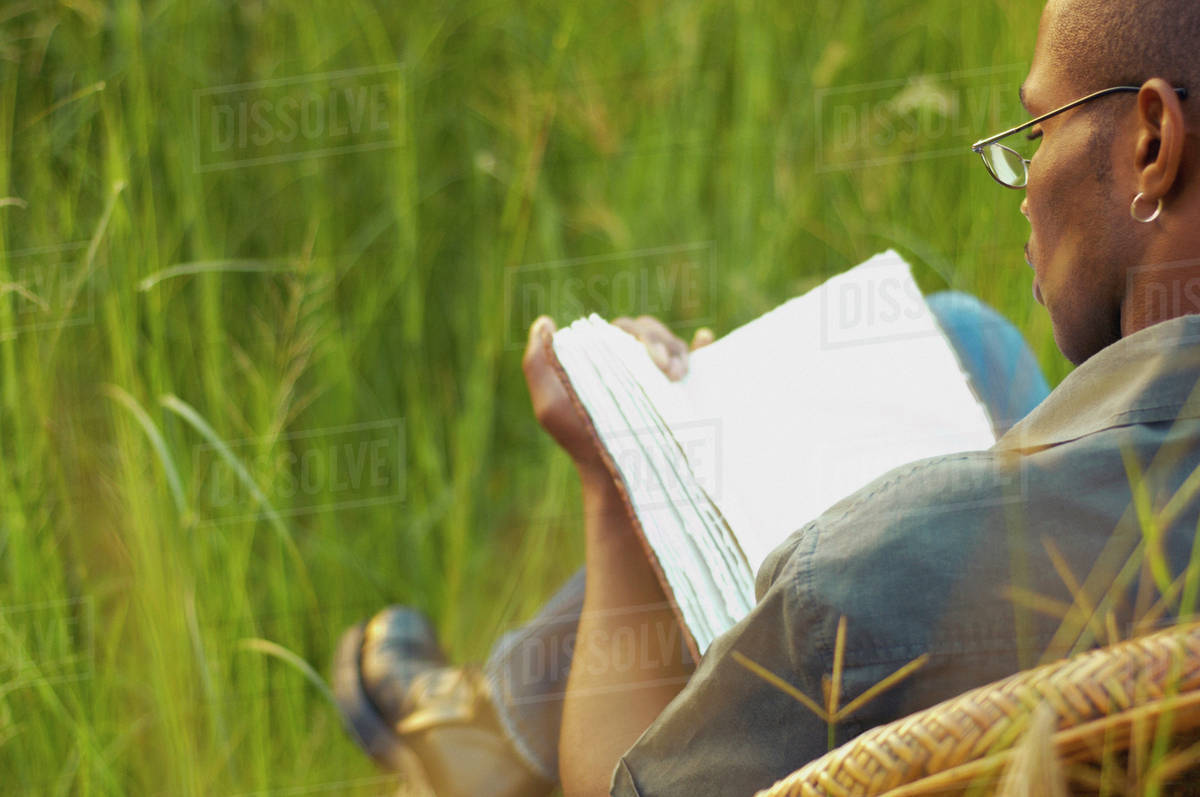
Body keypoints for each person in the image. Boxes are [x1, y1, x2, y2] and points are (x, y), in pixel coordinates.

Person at [333, 0, 1200, 793]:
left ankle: (496, 750)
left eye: (1038, 128)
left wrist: (615, 485)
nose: (1021, 187)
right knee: (967, 338)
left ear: (1152, 143)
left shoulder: (856, 582)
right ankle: (498, 726)